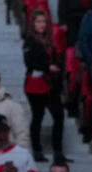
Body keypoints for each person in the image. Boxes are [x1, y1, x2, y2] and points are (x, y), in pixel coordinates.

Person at [22, 9, 66, 161]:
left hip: (51, 84)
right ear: (32, 24)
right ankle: (37, 150)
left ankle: (58, 151)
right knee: (38, 116)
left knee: (59, 116)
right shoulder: (29, 41)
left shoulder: (49, 40)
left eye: (44, 22)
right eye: (38, 21)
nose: (41, 25)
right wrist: (48, 67)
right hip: (36, 84)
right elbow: (29, 63)